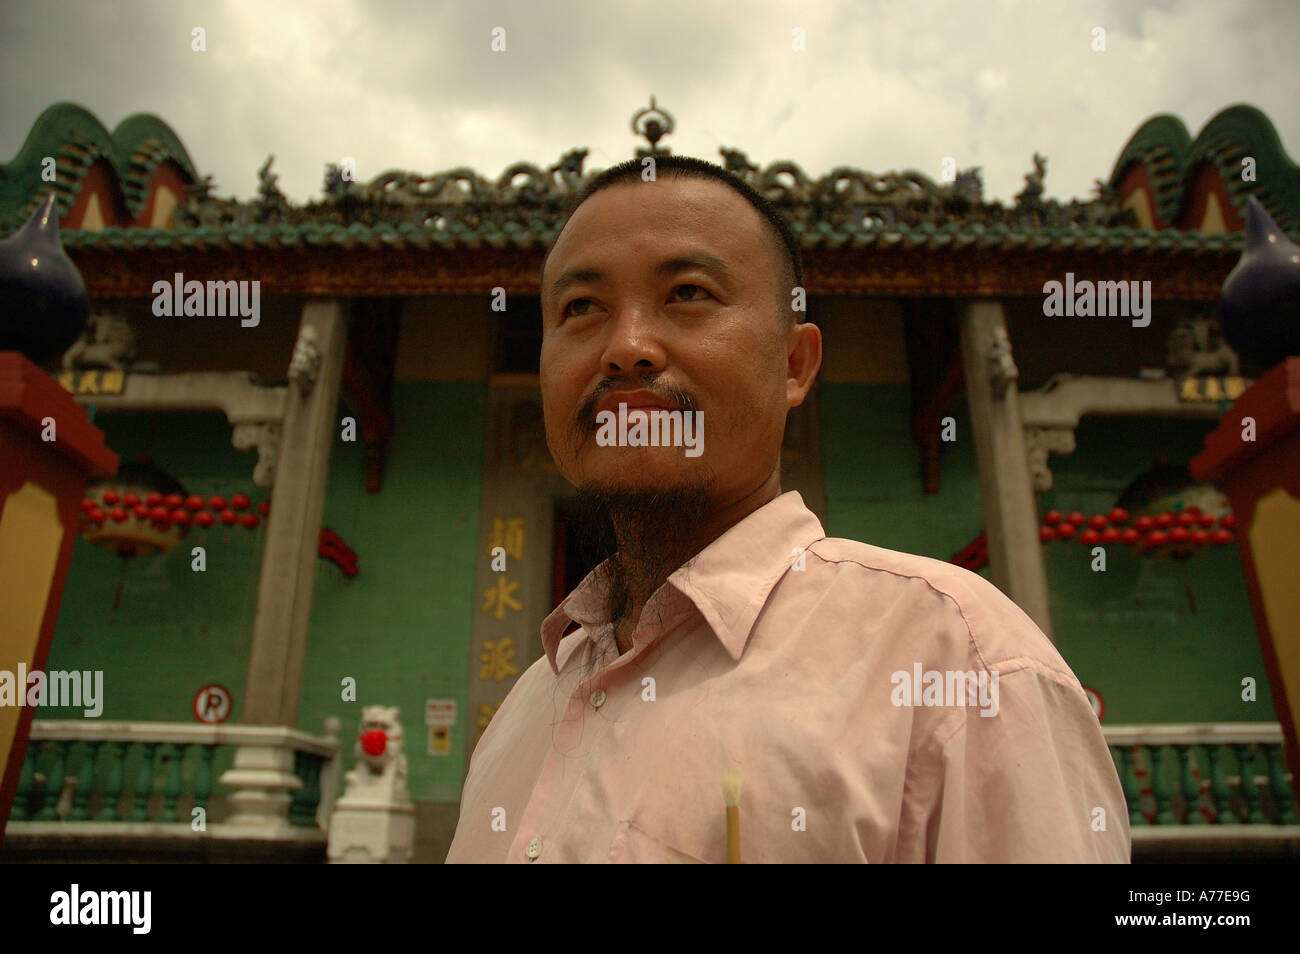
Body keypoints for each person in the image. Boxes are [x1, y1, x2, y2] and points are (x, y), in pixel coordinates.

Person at [445, 155, 1130, 863]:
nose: (626, 349)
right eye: (581, 308)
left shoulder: (958, 661)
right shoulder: (526, 709)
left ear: (795, 365)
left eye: (687, 292)